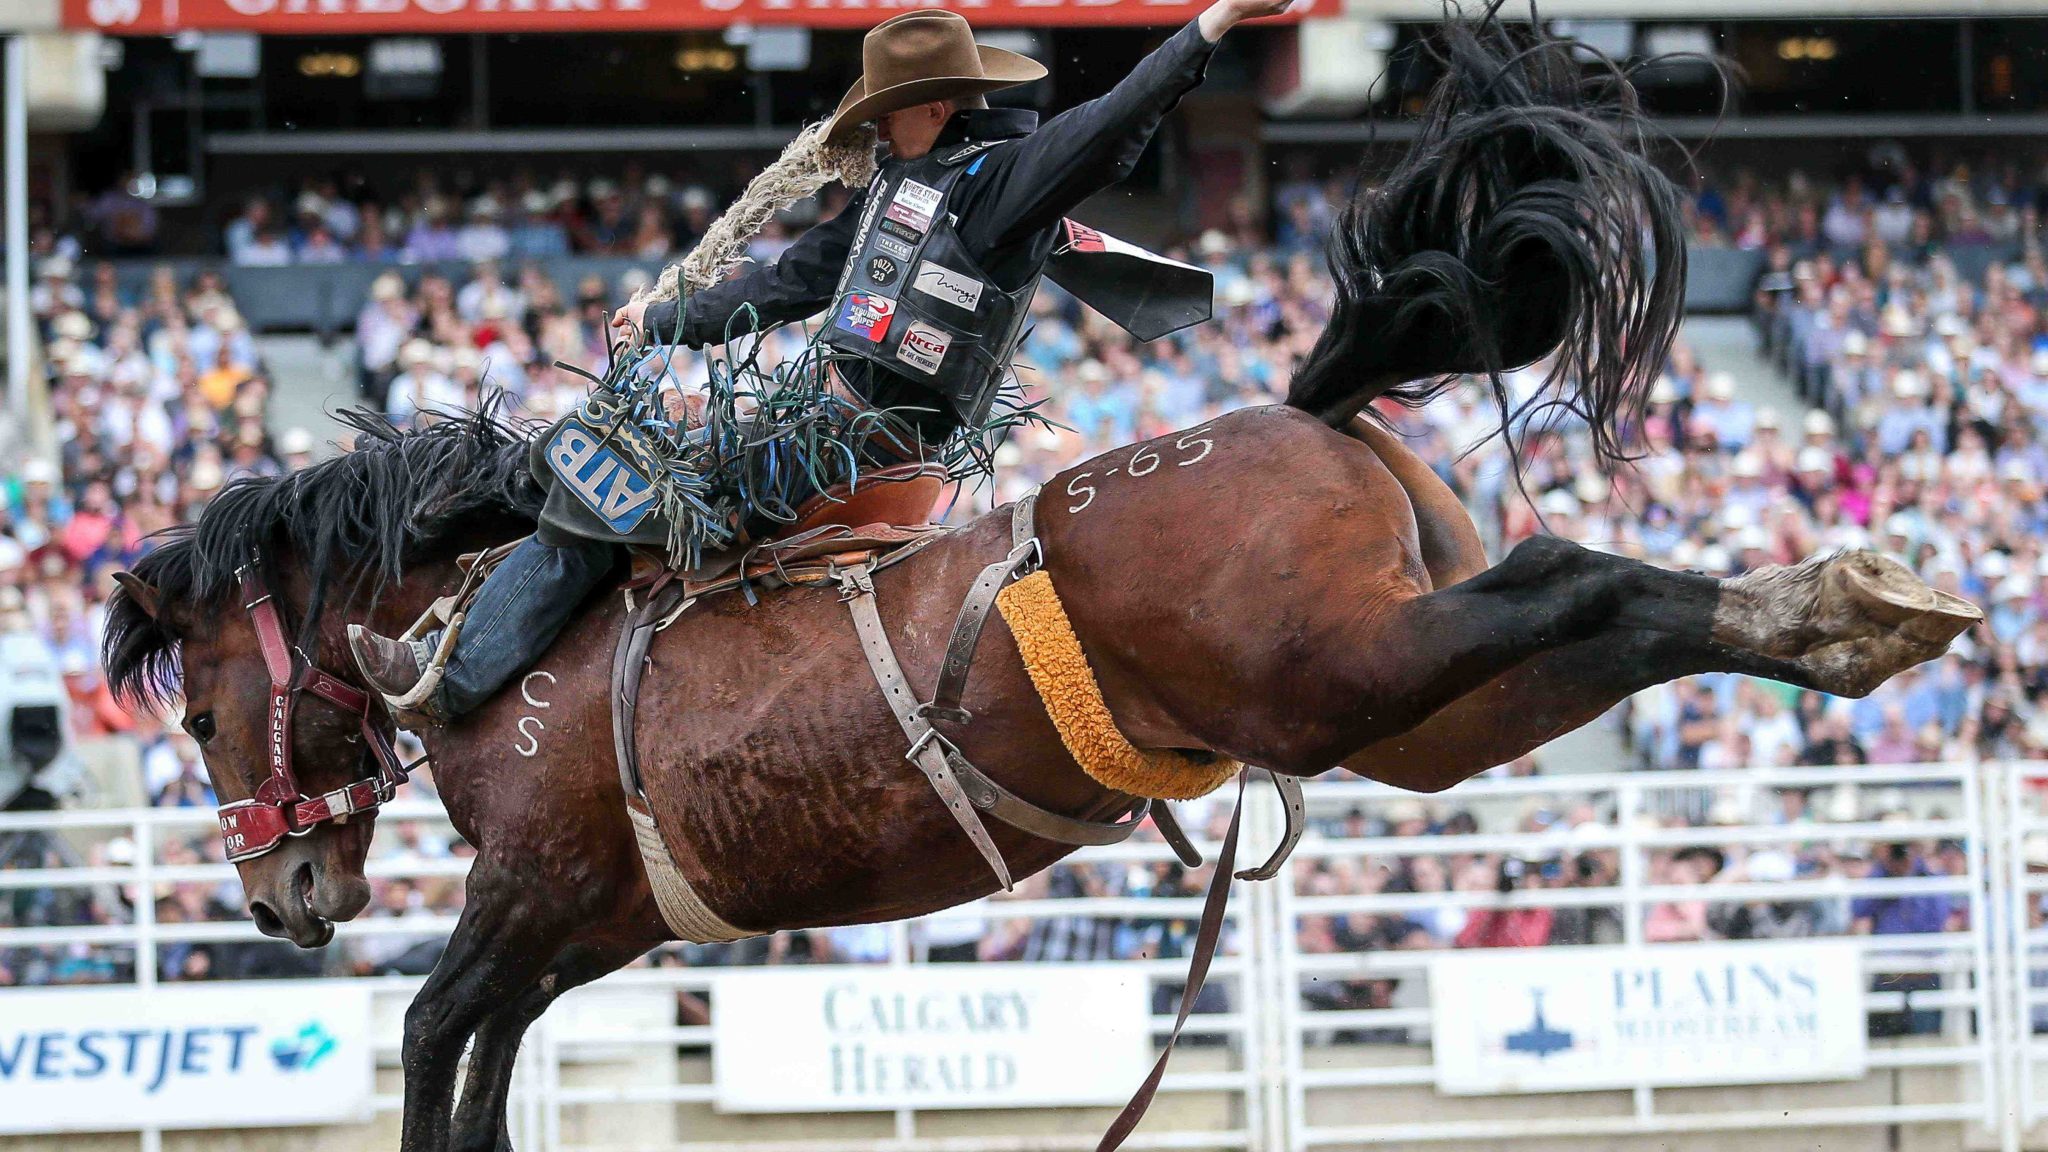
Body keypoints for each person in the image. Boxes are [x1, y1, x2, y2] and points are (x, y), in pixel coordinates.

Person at [349, 0, 1287, 720]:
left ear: (926, 105)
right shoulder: (900, 189)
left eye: (883, 112)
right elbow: (788, 278)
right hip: (830, 425)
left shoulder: (998, 186)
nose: (870, 131)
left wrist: (1206, 26)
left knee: (596, 465)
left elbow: (1113, 120)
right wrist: (668, 318)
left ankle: (454, 678)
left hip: (852, 437)